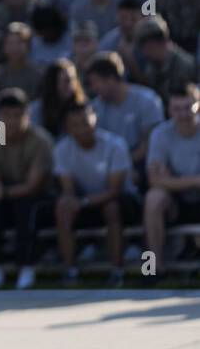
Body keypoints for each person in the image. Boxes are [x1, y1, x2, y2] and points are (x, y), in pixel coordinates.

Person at [53, 102, 135, 287]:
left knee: (112, 208)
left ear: (95, 118)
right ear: (67, 127)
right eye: (74, 125)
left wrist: (82, 202)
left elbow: (114, 190)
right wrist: (72, 202)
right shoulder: (61, 149)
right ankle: (70, 270)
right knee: (62, 208)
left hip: (121, 202)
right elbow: (68, 190)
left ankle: (116, 271)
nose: (81, 129)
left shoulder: (116, 145)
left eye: (85, 122)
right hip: (85, 203)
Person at [0, 88, 53, 290]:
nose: (12, 121)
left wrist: (4, 192)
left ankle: (27, 266)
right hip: (4, 192)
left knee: (26, 209)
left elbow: (32, 184)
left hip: (34, 195)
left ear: (27, 114)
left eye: (18, 115)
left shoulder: (39, 140)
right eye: (6, 116)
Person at [142, 83, 200, 283]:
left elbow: (163, 180)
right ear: (169, 110)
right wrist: (194, 180)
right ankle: (151, 269)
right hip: (175, 203)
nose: (183, 114)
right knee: (152, 199)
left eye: (188, 107)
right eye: (177, 108)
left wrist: (171, 180)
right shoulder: (160, 134)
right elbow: (155, 180)